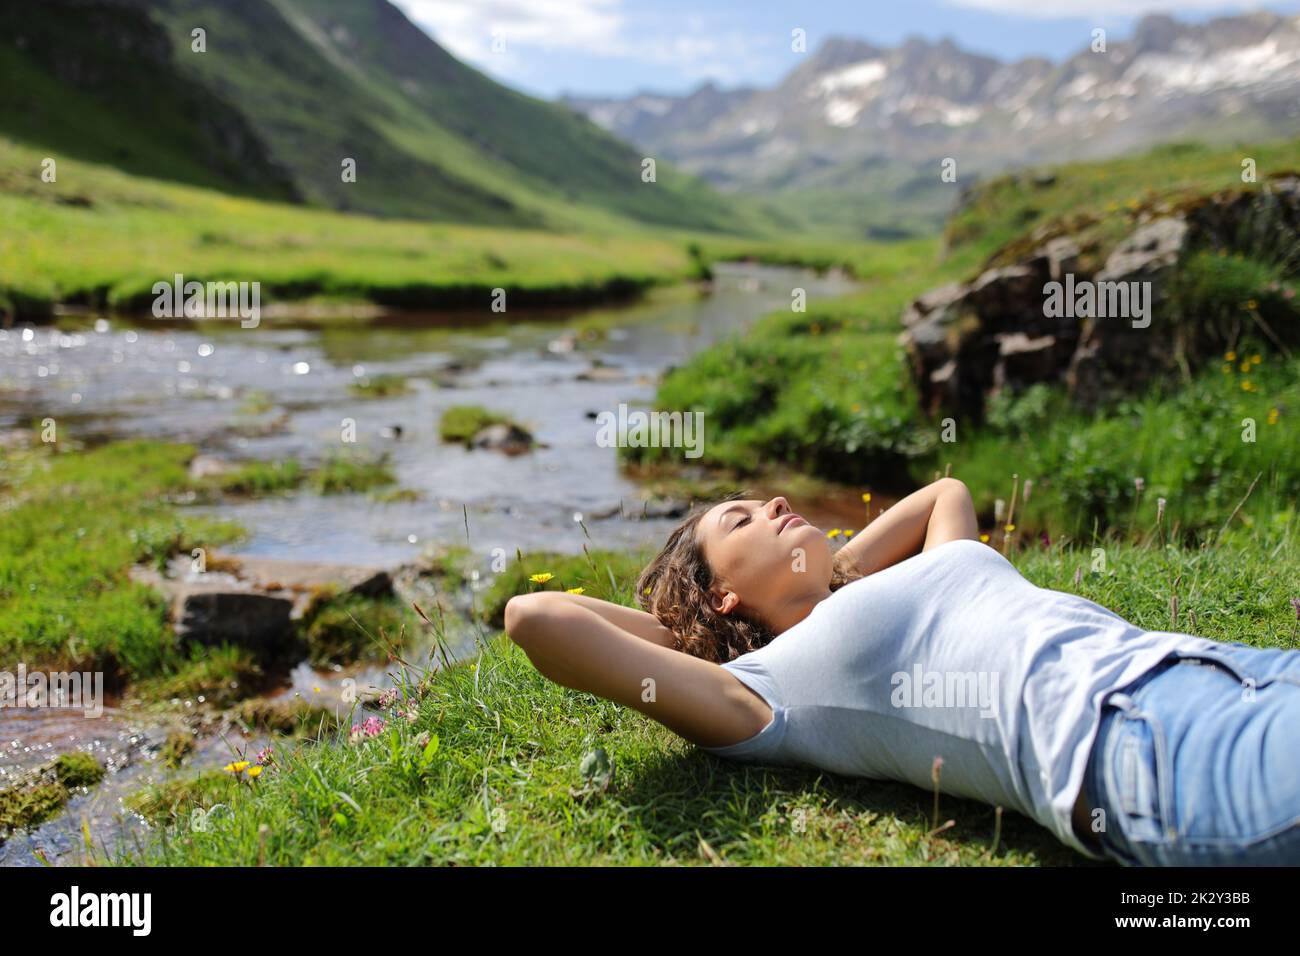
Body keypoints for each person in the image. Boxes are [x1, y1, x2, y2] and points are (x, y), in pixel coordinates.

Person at [504, 478, 1300, 865]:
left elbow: (944, 493)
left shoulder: (909, 572)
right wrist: (695, 632)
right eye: (740, 518)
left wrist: (830, 572)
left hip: (1220, 668)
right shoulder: (768, 689)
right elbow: (536, 619)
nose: (775, 500)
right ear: (723, 593)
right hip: (1138, 743)